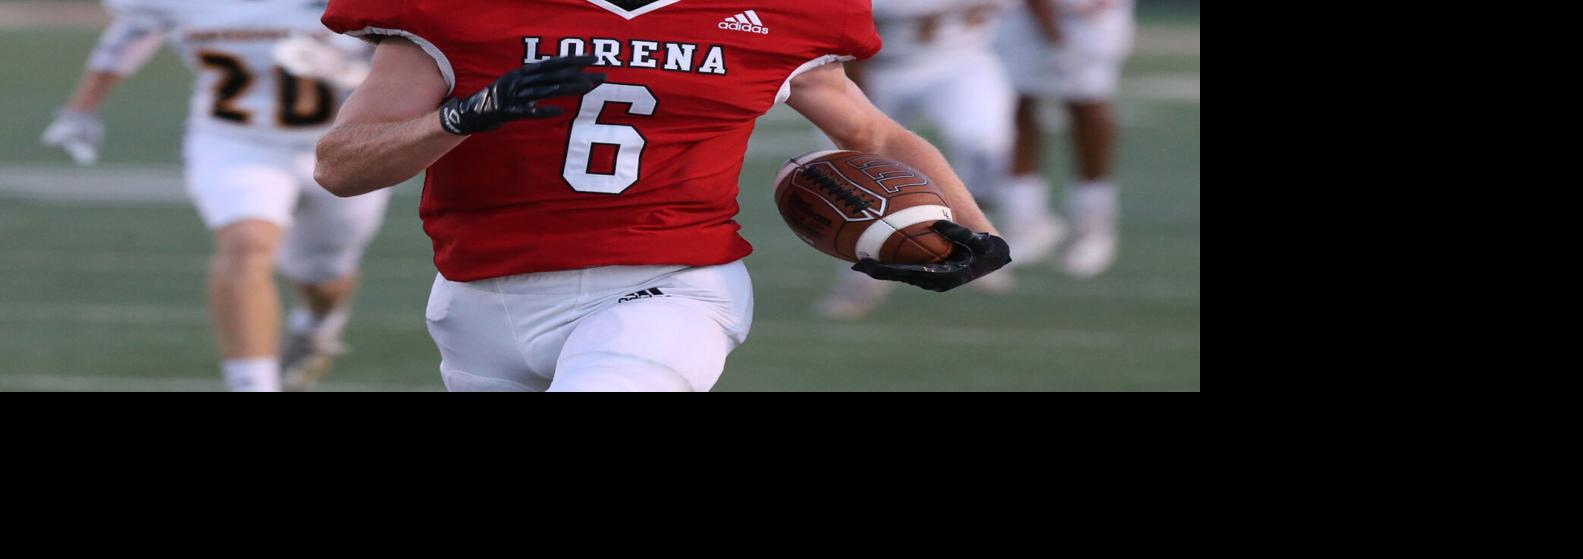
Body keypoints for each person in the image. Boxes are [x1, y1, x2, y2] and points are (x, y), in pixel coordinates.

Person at [313, 0, 1012, 393]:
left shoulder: (773, 12)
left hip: (666, 288)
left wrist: (973, 231)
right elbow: (340, 167)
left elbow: (871, 133)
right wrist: (461, 117)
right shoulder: (456, 9)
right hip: (477, 305)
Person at [40, 0, 392, 392]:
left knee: (324, 274)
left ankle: (317, 325)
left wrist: (355, 67)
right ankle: (253, 384)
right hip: (235, 141)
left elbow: (413, 45)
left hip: (342, 143)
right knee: (246, 245)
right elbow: (130, 33)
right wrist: (81, 109)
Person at [816, 0, 1020, 321]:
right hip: (877, 69)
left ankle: (978, 241)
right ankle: (860, 275)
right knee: (850, 170)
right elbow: (840, 34)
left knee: (985, 145)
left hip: (961, 62)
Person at [1000, 0, 1135, 278]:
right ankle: (1026, 218)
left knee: (1088, 103)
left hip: (1086, 14)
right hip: (1020, 16)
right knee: (1013, 105)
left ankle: (1093, 222)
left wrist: (1060, 37)